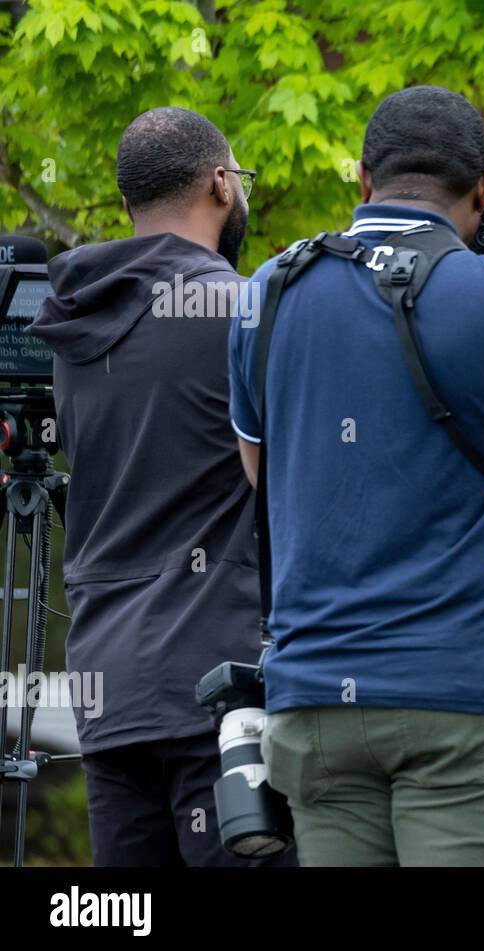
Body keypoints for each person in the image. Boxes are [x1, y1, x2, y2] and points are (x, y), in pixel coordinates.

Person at [228, 85, 484, 866]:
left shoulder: (268, 295)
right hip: (472, 698)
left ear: (362, 179)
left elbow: (266, 486)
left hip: (317, 699)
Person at [30, 108, 283, 866]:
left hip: (109, 692)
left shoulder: (72, 329)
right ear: (219, 183)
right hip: (221, 689)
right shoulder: (244, 310)